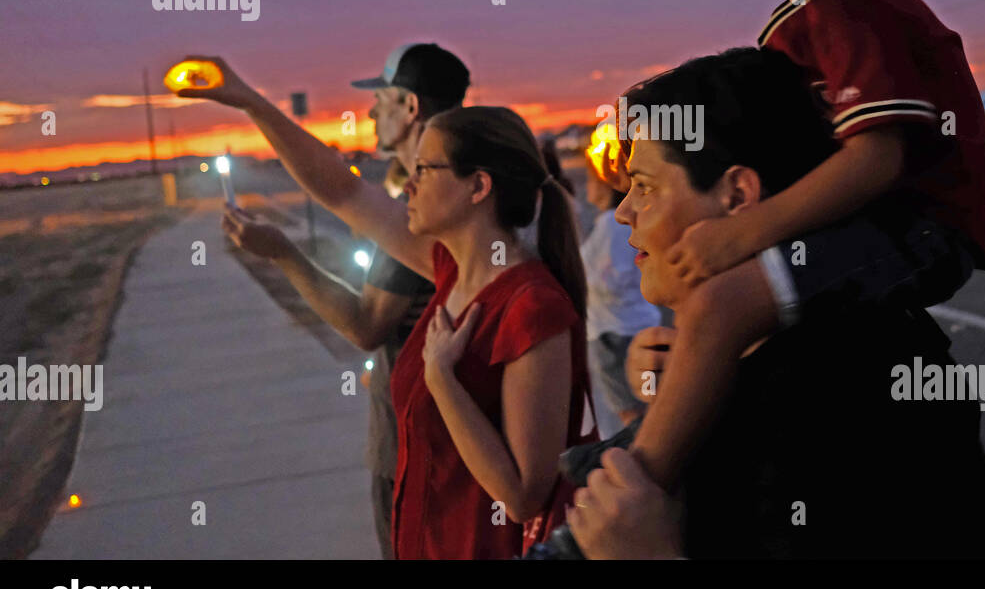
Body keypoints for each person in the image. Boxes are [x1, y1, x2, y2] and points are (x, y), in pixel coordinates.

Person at [603, 0, 985, 492]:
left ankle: (633, 488)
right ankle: (634, 451)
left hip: (918, 230)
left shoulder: (847, 2)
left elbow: (879, 157)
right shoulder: (804, 16)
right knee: (713, 319)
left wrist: (742, 233)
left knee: (722, 305)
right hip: (878, 222)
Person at [568, 48, 985, 558]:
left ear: (736, 196)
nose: (623, 213)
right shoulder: (737, 361)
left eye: (644, 187)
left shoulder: (850, 398)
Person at [175, 59, 592, 558]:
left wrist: (442, 381)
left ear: (478, 187)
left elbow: (523, 496)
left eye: (424, 170)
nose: (408, 185)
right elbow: (343, 189)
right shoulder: (450, 270)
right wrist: (249, 100)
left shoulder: (532, 308)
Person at [218, 42, 464, 558]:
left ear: (411, 108)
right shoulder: (471, 204)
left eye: (383, 98)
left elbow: (365, 324)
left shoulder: (422, 216)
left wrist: (284, 254)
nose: (371, 111)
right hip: (458, 448)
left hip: (417, 452)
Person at [578, 140, 658, 439]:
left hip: (613, 332)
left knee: (631, 413)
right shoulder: (615, 225)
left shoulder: (612, 226)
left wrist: (586, 280)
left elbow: (616, 277)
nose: (588, 187)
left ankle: (643, 457)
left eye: (591, 179)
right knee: (643, 405)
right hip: (630, 325)